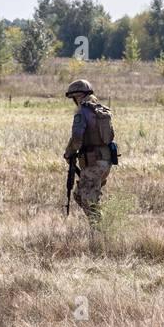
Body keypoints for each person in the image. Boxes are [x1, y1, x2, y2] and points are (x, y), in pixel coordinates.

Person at [63, 79, 115, 228]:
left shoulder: (82, 112)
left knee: (87, 198)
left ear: (77, 96)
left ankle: (100, 230)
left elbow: (77, 138)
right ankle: (101, 225)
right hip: (105, 160)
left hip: (93, 162)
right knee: (80, 195)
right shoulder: (101, 109)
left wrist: (68, 154)